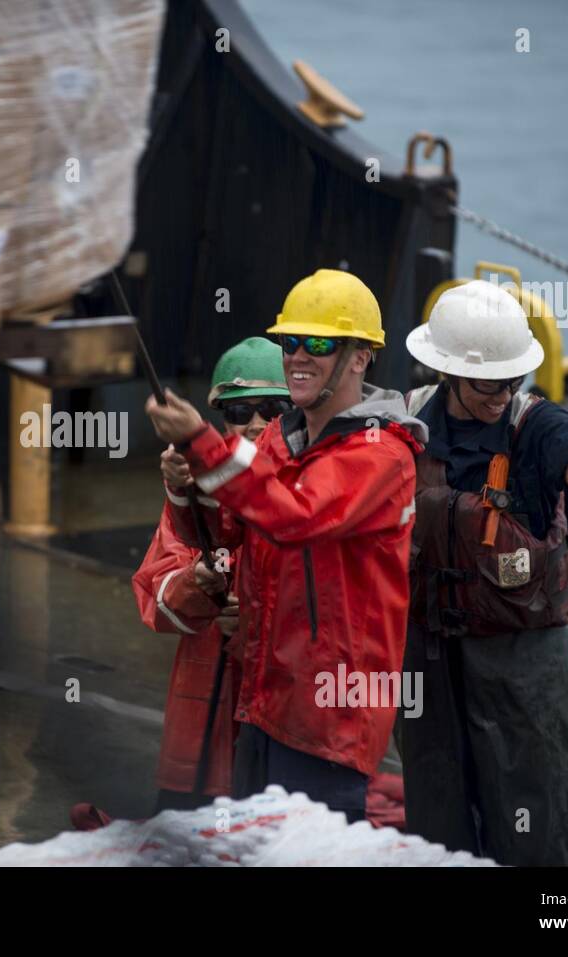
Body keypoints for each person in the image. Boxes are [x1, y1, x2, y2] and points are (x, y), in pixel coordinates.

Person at [145, 270, 427, 823]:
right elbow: (233, 525)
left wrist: (204, 443)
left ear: (360, 357)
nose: (298, 356)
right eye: (289, 342)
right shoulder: (281, 437)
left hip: (329, 720)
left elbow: (295, 517)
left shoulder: (382, 457)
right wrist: (187, 483)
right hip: (263, 704)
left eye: (318, 344)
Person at [399, 280, 568, 866]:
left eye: (512, 378)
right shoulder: (406, 419)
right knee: (437, 818)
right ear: (447, 372)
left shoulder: (536, 425)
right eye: (489, 381)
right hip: (431, 654)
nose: (502, 392)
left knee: (533, 823)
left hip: (523, 660)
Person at [133, 337, 292, 812]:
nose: (257, 422)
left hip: (283, 708)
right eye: (240, 411)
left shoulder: (313, 484)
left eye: (274, 407)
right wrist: (200, 586)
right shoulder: (192, 492)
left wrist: (258, 613)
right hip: (206, 710)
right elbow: (156, 603)